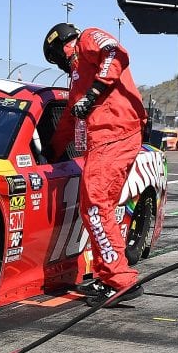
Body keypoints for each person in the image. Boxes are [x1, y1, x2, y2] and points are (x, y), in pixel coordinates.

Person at [43, 22, 147, 307]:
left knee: (95, 208)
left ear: (60, 46)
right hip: (105, 141)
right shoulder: (77, 80)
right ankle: (108, 277)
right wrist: (49, 154)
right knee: (99, 211)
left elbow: (116, 53)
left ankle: (120, 279)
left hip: (114, 136)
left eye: (56, 58)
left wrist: (93, 94)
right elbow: (68, 121)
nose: (61, 64)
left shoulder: (88, 38)